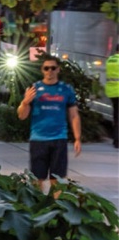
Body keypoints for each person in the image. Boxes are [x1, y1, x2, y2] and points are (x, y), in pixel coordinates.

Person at [17, 55, 81, 194]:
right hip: (38, 139)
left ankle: (55, 209)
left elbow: (74, 114)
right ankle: (37, 206)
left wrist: (77, 138)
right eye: (46, 68)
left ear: (58, 70)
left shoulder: (66, 89)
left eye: (53, 68)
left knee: (57, 179)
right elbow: (22, 116)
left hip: (59, 138)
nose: (50, 71)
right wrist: (25, 102)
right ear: (42, 70)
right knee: (37, 179)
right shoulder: (34, 89)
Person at [105, 48, 119, 150]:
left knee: (116, 117)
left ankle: (116, 140)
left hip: (112, 91)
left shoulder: (110, 60)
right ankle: (117, 141)